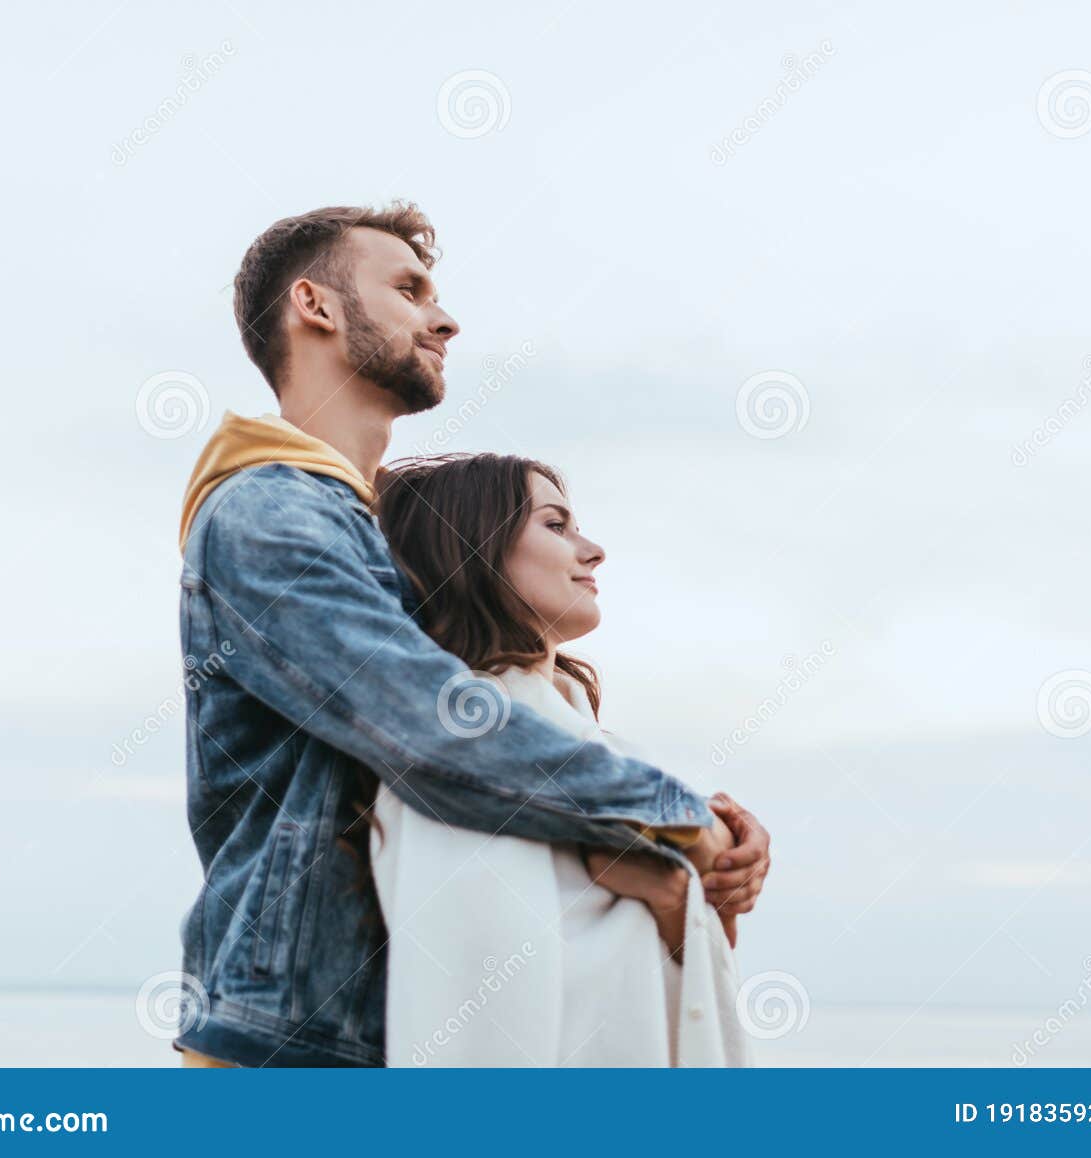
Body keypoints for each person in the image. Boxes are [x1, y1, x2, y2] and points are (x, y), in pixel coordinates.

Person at [173, 204, 771, 1066]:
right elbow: (430, 730)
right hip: (293, 1047)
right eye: (409, 290)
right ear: (315, 305)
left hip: (382, 1034)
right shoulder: (269, 512)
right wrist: (671, 821)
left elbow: (482, 770)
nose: (444, 319)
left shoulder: (355, 532)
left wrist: (672, 853)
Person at [368, 453, 751, 1065]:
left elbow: (696, 975)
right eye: (555, 525)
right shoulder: (455, 751)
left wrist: (680, 893)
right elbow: (474, 1018)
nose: (593, 551)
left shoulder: (608, 753)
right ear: (473, 548)